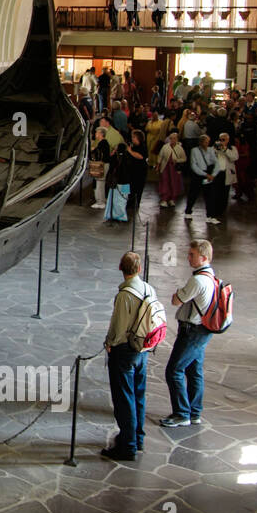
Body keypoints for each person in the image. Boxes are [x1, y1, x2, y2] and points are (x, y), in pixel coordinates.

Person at [102, 252, 156, 460]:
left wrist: (109, 343)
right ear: (139, 269)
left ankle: (128, 445)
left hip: (124, 351)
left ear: (120, 269)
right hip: (141, 350)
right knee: (138, 395)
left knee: (124, 399)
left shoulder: (125, 295)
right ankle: (138, 437)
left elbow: (118, 326)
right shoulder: (148, 288)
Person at [162, 240, 217, 427]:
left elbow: (176, 300)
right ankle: (194, 412)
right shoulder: (210, 276)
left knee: (174, 370)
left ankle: (181, 413)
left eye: (192, 255)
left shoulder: (197, 280)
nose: (188, 257)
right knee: (194, 371)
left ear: (204, 258)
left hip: (192, 331)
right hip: (202, 330)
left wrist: (178, 293)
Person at [185, 134, 218, 223]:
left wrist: (213, 174)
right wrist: (204, 174)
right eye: (205, 142)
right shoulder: (194, 151)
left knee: (209, 195)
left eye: (208, 142)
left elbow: (216, 162)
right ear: (201, 142)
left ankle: (210, 215)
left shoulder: (211, 150)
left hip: (208, 174)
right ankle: (188, 211)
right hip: (198, 175)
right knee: (193, 194)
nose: (207, 143)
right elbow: (194, 165)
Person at [211, 132, 238, 224]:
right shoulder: (215, 147)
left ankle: (221, 210)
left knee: (225, 193)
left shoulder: (232, 148)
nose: (221, 141)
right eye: (220, 139)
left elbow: (234, 157)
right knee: (215, 192)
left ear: (228, 140)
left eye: (224, 140)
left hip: (226, 173)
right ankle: (214, 210)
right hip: (217, 173)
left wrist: (225, 149)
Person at [157, 131, 186, 208]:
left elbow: (184, 158)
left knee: (174, 183)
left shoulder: (180, 148)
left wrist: (177, 161)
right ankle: (164, 199)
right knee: (165, 182)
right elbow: (160, 156)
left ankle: (172, 199)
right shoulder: (165, 147)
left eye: (174, 138)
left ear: (177, 139)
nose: (172, 140)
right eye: (171, 138)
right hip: (165, 168)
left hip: (175, 169)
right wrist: (158, 165)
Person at [127, 128, 149, 212]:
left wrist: (130, 151)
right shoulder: (133, 146)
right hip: (132, 171)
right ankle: (130, 203)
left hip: (140, 172)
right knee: (131, 188)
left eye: (133, 137)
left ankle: (135, 204)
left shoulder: (142, 146)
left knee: (138, 188)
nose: (132, 139)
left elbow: (141, 156)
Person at [90, 125, 111, 210]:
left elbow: (96, 152)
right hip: (104, 164)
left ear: (101, 134)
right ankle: (101, 200)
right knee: (100, 183)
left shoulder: (103, 143)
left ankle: (100, 202)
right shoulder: (103, 143)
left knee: (100, 183)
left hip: (102, 165)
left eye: (96, 132)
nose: (95, 134)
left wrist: (93, 149)